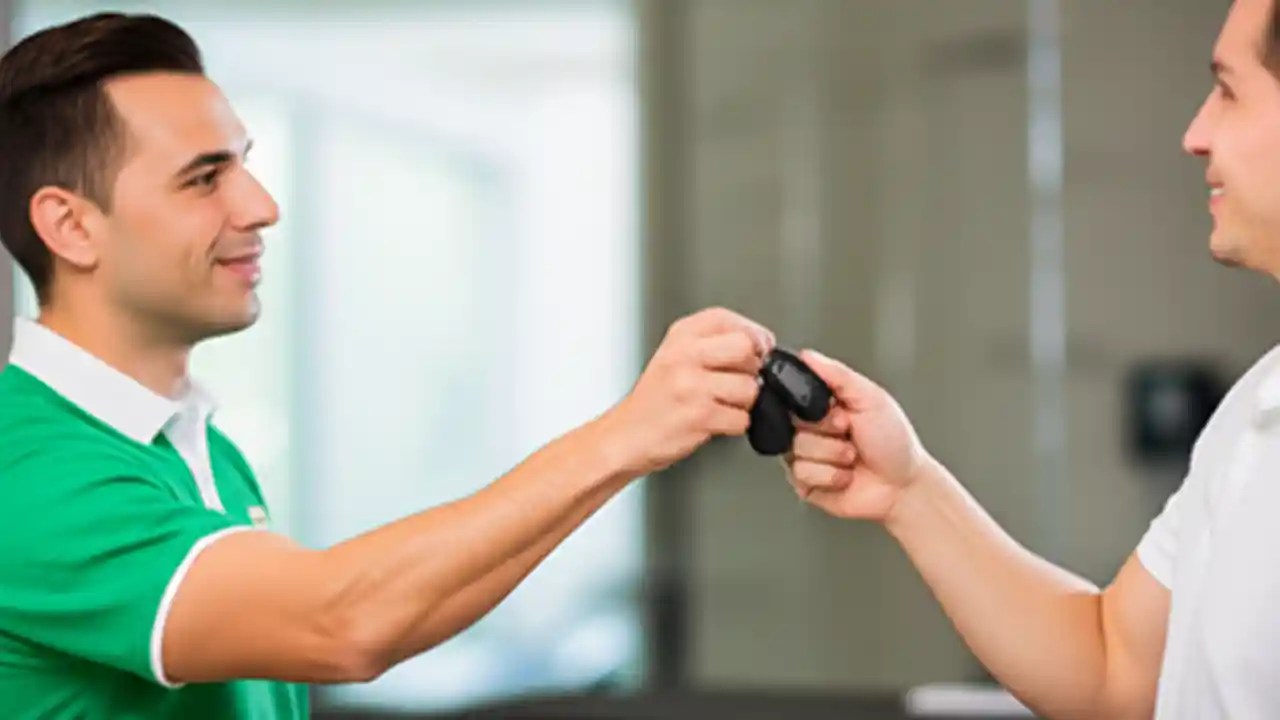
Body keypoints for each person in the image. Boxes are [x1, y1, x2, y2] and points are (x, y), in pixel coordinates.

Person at [0, 12, 774, 720]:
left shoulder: (201, 453)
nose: (262, 205)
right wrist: (624, 437)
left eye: (244, 164)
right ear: (70, 226)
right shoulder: (26, 469)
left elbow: (380, 614)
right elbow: (340, 623)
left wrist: (632, 442)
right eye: (205, 178)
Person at [783, 0, 1280, 717]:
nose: (1196, 134)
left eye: (1229, 91)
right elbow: (1117, 668)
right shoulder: (1257, 411)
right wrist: (909, 491)